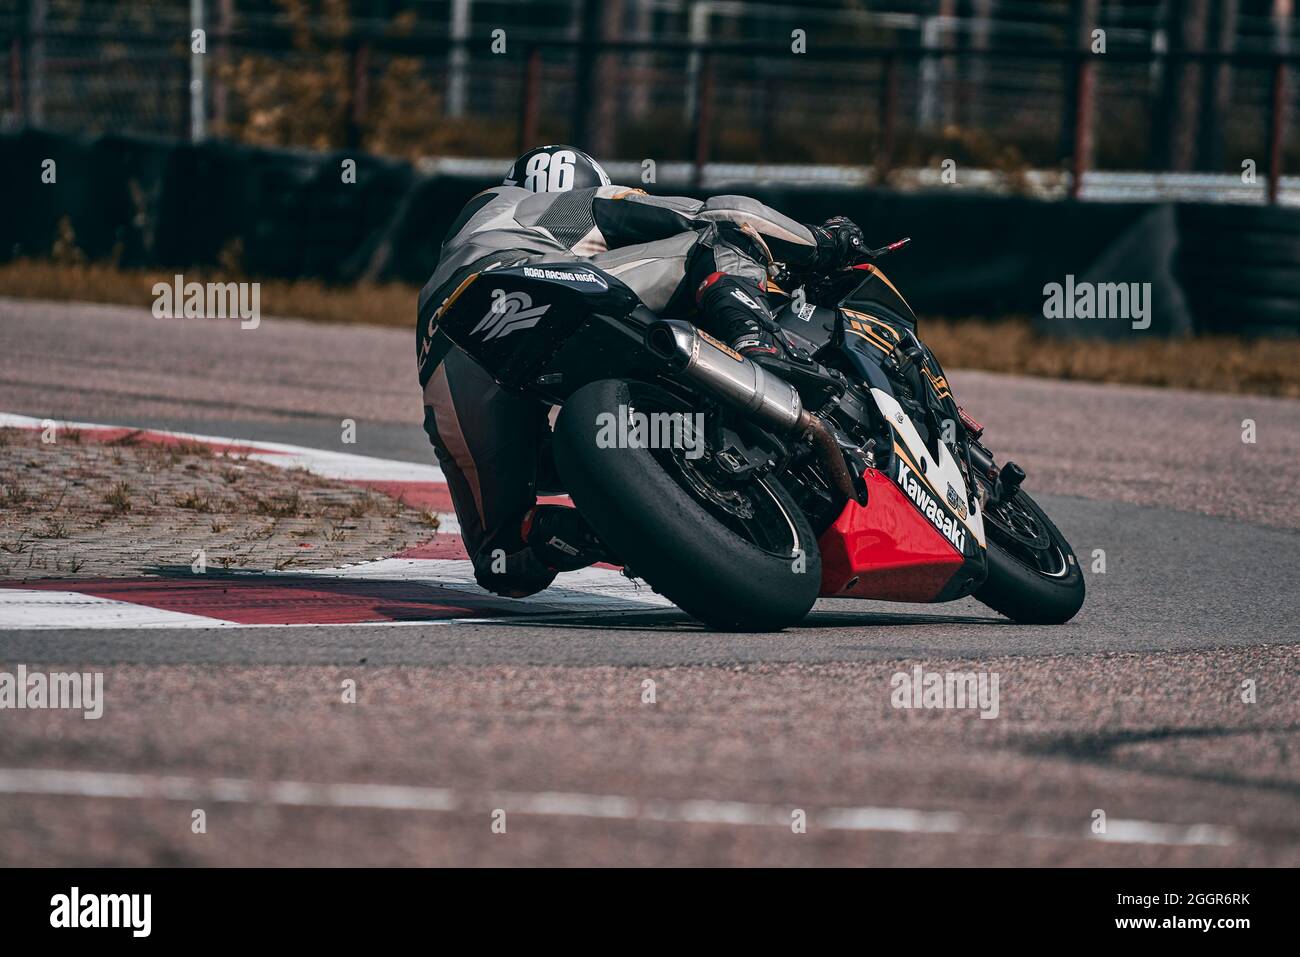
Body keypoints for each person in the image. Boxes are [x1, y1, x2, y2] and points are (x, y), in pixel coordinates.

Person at [418, 144, 866, 597]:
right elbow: (726, 212)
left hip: (448, 363)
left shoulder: (464, 241)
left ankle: (597, 532)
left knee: (506, 559)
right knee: (720, 240)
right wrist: (824, 242)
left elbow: (507, 558)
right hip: (530, 281)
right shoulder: (556, 209)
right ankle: (757, 343)